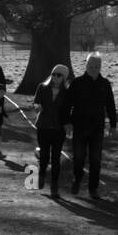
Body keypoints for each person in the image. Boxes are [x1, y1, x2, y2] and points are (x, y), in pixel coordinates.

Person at [65, 53, 117, 199]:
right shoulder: (77, 83)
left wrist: (113, 125)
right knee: (79, 157)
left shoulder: (105, 84)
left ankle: (93, 188)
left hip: (97, 128)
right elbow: (67, 104)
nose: (94, 69)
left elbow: (110, 106)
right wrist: (67, 122)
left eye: (97, 66)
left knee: (95, 159)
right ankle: (77, 178)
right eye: (91, 66)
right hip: (79, 126)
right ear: (86, 65)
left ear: (100, 67)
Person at [32, 64, 71, 198]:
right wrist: (38, 107)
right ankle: (42, 176)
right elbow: (35, 102)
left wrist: (68, 124)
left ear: (64, 77)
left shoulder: (67, 93)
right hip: (43, 126)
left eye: (59, 75)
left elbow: (67, 111)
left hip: (58, 129)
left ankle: (54, 187)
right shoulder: (42, 87)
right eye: (53, 74)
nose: (55, 77)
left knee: (55, 158)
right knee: (44, 155)